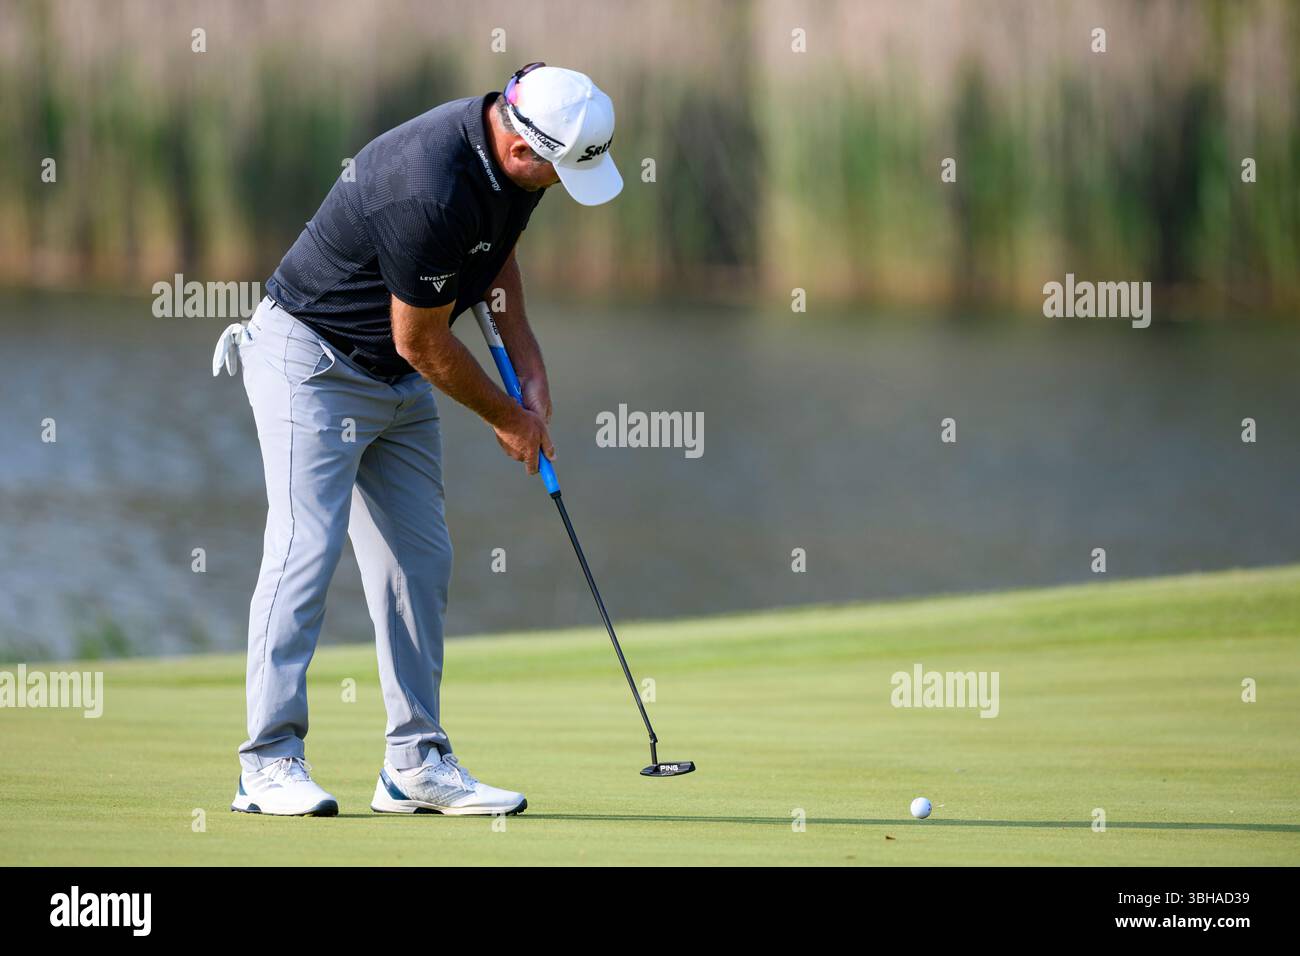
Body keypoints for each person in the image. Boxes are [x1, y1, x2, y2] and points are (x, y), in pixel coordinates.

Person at [211, 63, 622, 816]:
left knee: (418, 562)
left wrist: (529, 371)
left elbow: (494, 266)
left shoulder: (514, 169)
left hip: (393, 376)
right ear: (523, 147)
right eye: (559, 173)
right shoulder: (429, 184)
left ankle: (415, 764)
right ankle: (267, 764)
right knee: (306, 549)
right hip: (314, 361)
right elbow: (422, 343)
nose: (560, 186)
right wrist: (507, 416)